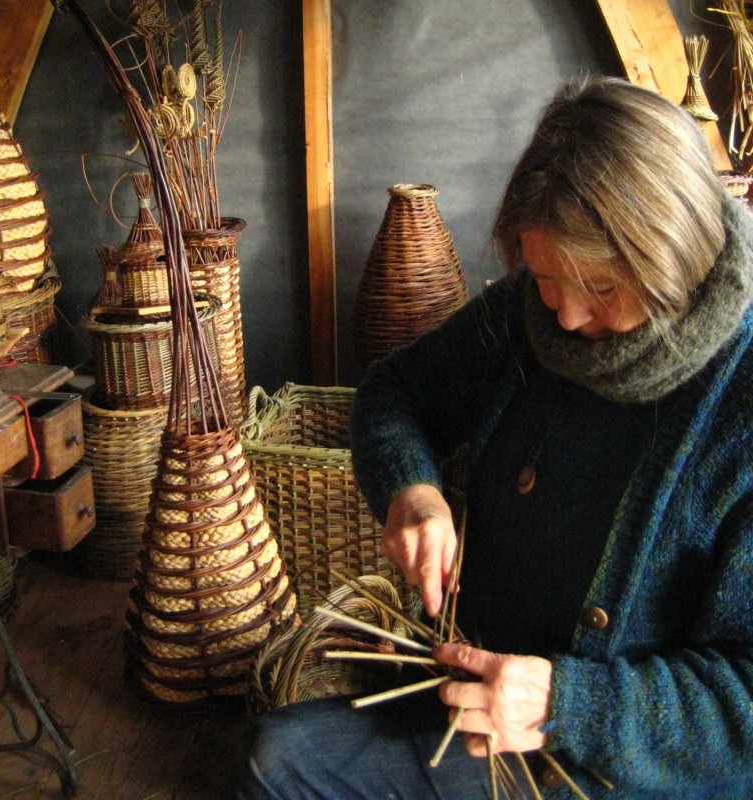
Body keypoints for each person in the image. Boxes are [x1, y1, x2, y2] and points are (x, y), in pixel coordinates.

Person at [235, 75, 753, 799]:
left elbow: (744, 707)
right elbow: (394, 393)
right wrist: (411, 492)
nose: (565, 318)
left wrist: (568, 706)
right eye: (544, 276)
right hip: (468, 695)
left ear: (673, 256)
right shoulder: (526, 319)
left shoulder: (739, 400)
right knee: (277, 760)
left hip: (610, 766)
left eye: (600, 288)